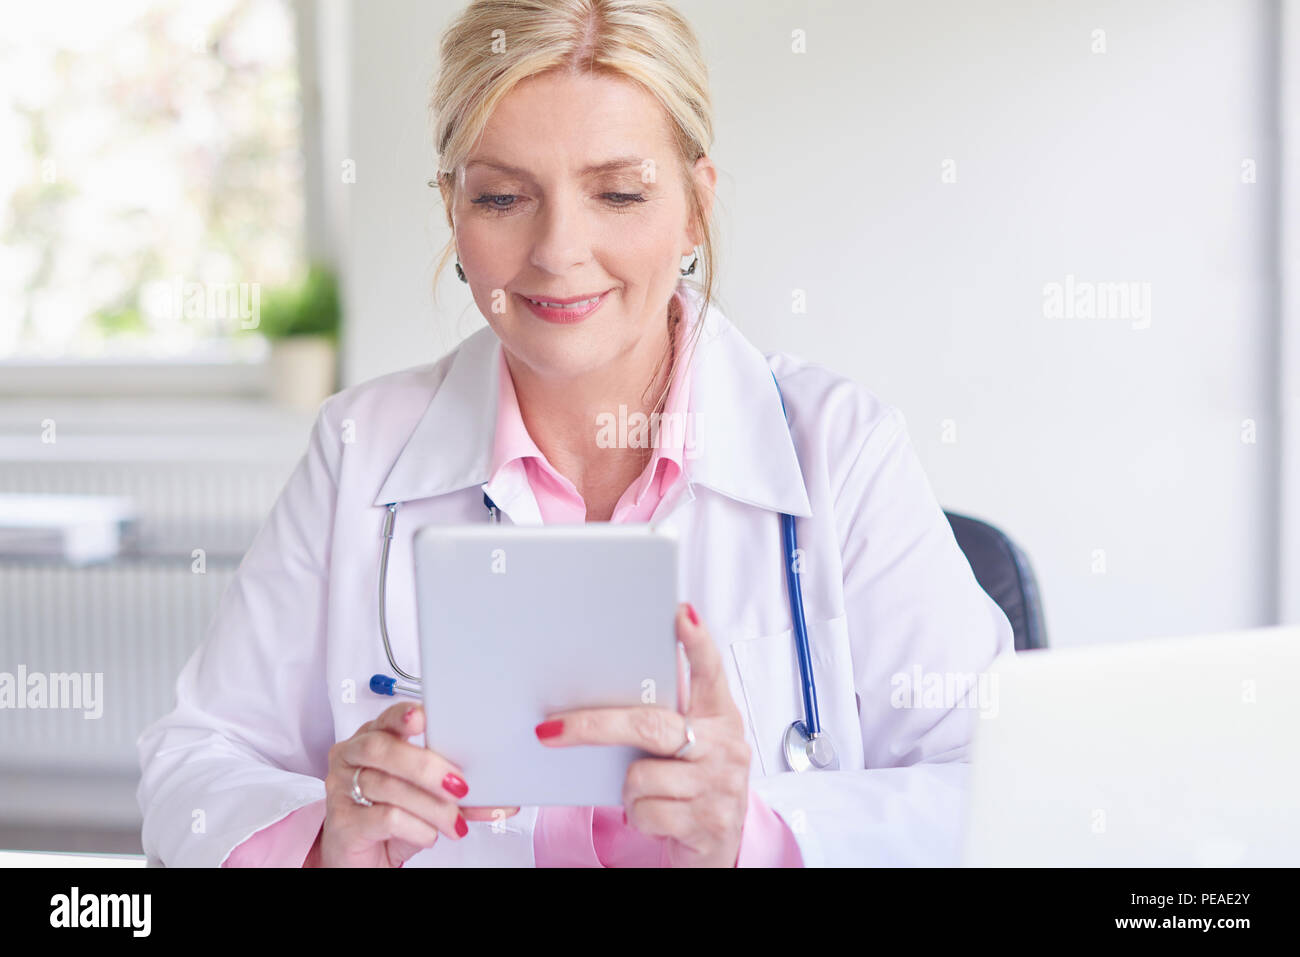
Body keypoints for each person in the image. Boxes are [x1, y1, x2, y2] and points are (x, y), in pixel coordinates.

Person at [136, 0, 1013, 868]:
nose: (559, 249)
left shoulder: (839, 447)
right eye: (505, 196)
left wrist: (759, 832)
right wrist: (331, 834)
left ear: (695, 206)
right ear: (452, 208)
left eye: (619, 193)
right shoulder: (360, 448)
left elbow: (1002, 784)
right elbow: (192, 765)